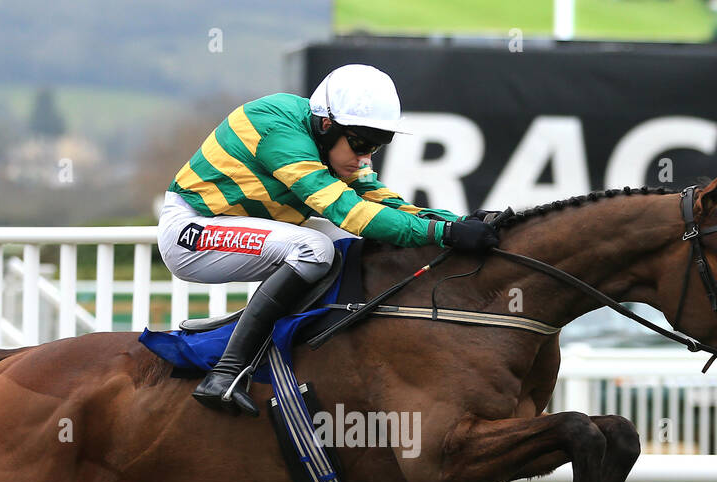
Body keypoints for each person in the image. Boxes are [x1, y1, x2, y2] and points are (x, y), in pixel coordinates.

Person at [158, 63, 500, 416]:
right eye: (361, 145)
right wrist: (443, 234)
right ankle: (226, 372)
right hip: (192, 233)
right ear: (326, 125)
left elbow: (382, 202)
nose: (365, 158)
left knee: (356, 245)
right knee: (315, 247)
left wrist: (455, 222)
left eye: (376, 147)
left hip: (236, 227)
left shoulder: (336, 141)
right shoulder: (278, 129)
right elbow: (348, 212)